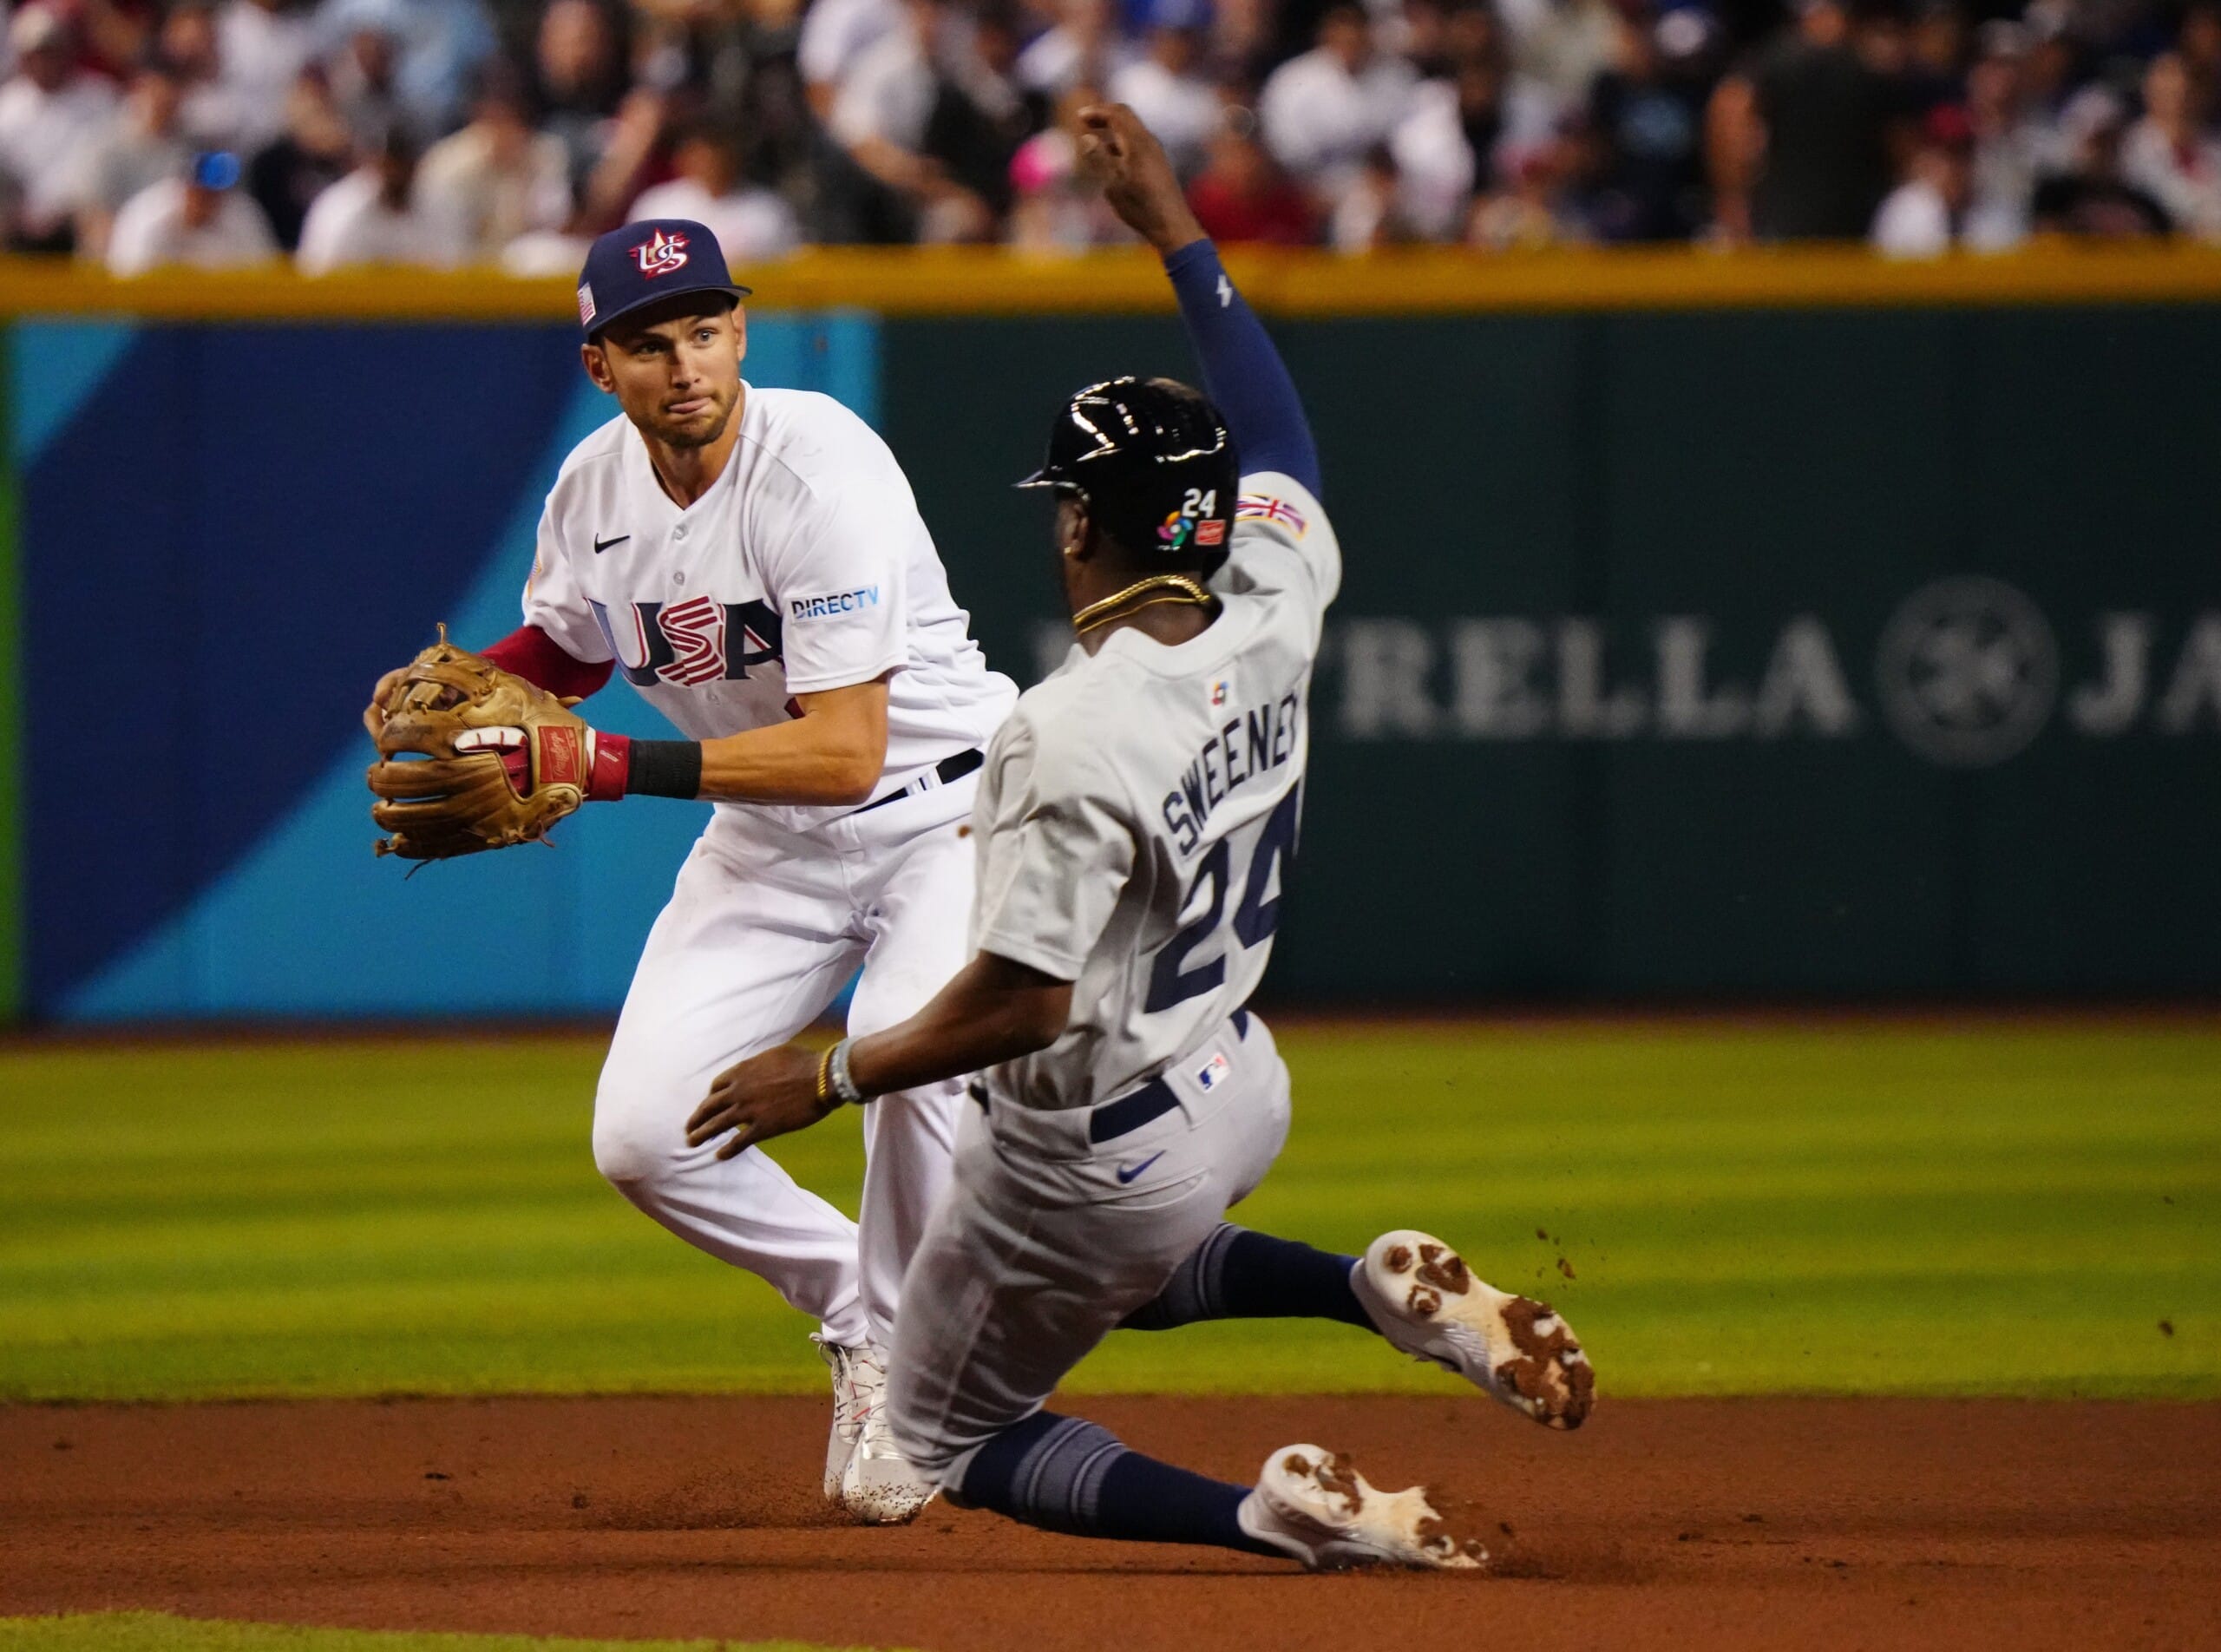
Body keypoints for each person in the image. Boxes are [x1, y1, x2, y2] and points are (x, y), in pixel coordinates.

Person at [683, 106, 1593, 1571]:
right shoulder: (1278, 597)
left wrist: (832, 1072)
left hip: (1091, 1144)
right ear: (1209, 515)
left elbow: (1023, 1001)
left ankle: (1276, 1518)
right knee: (1119, 1269)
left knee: (945, 1434)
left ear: (1074, 528)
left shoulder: (1065, 729)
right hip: (1235, 1077)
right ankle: (1368, 1288)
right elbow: (1280, 434)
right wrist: (1176, 231)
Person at [360, 216, 1017, 1524]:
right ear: (600, 364)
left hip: (946, 813)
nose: (686, 364)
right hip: (769, 841)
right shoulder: (593, 487)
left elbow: (845, 750)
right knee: (645, 1137)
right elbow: (571, 651)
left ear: (741, 332)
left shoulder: (819, 468)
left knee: (906, 1051)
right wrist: (468, 690)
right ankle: (865, 1311)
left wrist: (599, 765)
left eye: (707, 330)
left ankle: (919, 1375)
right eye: (651, 343)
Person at [627, 118, 802, 263]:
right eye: (701, 157)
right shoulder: (657, 207)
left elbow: (789, 265)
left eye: (716, 156)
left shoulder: (767, 210)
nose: (710, 165)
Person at [107, 147, 278, 272]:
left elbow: (265, 275)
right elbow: (129, 280)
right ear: (183, 187)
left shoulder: (241, 214)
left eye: (215, 192)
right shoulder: (148, 216)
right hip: (152, 307)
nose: (209, 199)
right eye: (200, 192)